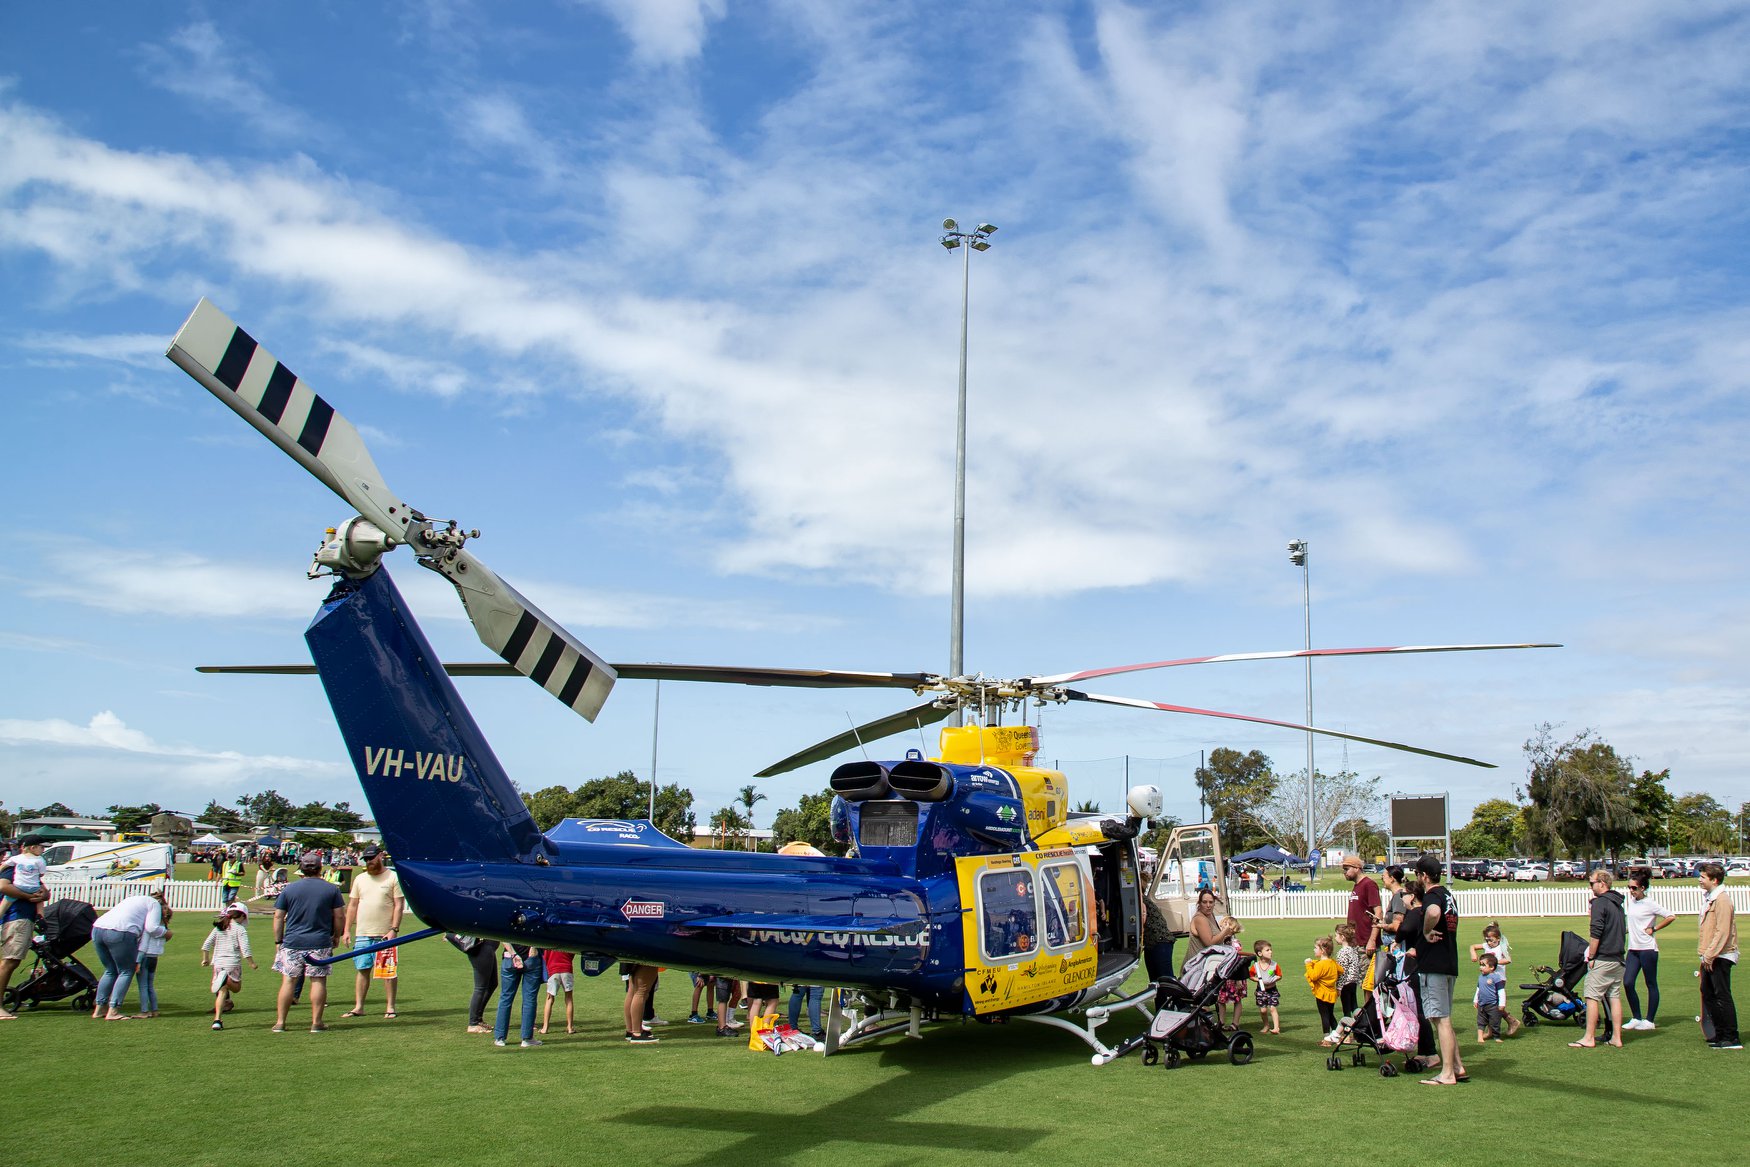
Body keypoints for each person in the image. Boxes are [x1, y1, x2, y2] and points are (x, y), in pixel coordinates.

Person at [271, 852, 346, 1034]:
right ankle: (316, 1022)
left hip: (292, 941)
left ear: (301, 868)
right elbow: (339, 916)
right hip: (320, 941)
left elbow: (278, 916)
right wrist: (337, 936)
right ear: (320, 868)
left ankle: (280, 1022)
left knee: (288, 981)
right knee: (318, 981)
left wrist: (278, 940)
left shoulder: (289, 889)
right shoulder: (331, 889)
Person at [1413, 854, 1466, 1084]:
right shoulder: (1447, 894)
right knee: (1444, 1018)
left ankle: (1447, 1073)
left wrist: (1426, 931)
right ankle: (1457, 1066)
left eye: (1417, 873)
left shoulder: (1432, 896)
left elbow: (1433, 913)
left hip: (1434, 964)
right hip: (1448, 962)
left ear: (1424, 876)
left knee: (1440, 1018)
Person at [340, 845, 404, 1020]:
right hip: (363, 933)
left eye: (372, 858)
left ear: (380, 856)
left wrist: (394, 929)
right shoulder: (360, 879)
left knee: (388, 971)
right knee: (362, 969)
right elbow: (352, 905)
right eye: (366, 859)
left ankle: (390, 1007)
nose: (369, 862)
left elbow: (398, 905)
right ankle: (359, 1006)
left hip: (385, 934)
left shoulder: (393, 877)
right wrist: (346, 930)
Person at [90, 890, 168, 1021]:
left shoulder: (134, 899)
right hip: (120, 931)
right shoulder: (154, 904)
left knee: (110, 970)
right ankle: (113, 1010)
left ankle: (99, 1009)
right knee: (126, 971)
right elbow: (152, 928)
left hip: (97, 929)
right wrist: (166, 933)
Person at [1572, 868, 1627, 1049]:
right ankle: (1616, 1037)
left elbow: (1596, 932)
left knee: (1592, 996)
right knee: (1614, 996)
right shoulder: (1618, 904)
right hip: (1618, 958)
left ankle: (1589, 1037)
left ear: (1602, 884)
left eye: (1592, 883)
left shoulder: (1600, 903)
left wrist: (1592, 956)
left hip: (1604, 957)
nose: (1590, 887)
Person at [0, 835, 51, 1021]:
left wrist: (43, 895)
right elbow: (4, 886)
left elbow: (43, 890)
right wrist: (29, 897)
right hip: (16, 917)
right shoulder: (14, 866)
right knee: (10, 961)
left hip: (23, 917)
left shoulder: (31, 867)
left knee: (11, 961)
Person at [1623, 868, 1675, 1031]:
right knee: (1628, 982)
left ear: (1642, 888)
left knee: (1650, 983)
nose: (1631, 891)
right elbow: (1632, 923)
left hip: (1647, 949)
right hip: (1633, 949)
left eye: (1634, 888)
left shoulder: (1650, 903)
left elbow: (1670, 916)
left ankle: (1650, 1020)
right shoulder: (1632, 902)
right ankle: (1636, 1017)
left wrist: (1654, 928)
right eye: (1629, 887)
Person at [1697, 862, 1740, 1049]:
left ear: (1714, 880)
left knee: (1722, 995)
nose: (1700, 880)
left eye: (1703, 877)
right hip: (1711, 954)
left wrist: (1710, 955)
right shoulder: (1712, 898)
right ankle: (1720, 1033)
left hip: (1721, 955)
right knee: (1708, 993)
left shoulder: (1722, 900)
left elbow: (1722, 931)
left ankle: (1731, 1036)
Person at [1187, 889, 1244, 1029]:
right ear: (1199, 903)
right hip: (1196, 967)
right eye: (1204, 902)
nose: (1208, 905)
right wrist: (1225, 931)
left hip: (1208, 966)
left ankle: (1209, 1026)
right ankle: (1200, 1028)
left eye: (1211, 902)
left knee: (1208, 999)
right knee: (1200, 1000)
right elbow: (1209, 942)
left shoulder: (1210, 915)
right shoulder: (1200, 918)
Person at [201, 902, 257, 1029]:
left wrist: (205, 959)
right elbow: (245, 949)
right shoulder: (240, 929)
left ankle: (217, 1020)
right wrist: (251, 963)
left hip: (218, 964)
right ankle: (226, 979)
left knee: (222, 992)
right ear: (242, 916)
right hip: (232, 963)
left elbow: (206, 945)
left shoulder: (219, 927)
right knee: (236, 988)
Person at [1468, 921, 1520, 1036]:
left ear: (1498, 938)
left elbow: (1508, 960)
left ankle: (1511, 1021)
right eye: (1487, 940)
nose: (1489, 943)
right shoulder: (1486, 945)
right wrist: (1473, 953)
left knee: (1493, 1005)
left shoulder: (1501, 947)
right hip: (1487, 978)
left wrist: (1493, 963)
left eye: (1491, 940)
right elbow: (1473, 946)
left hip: (1498, 979)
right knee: (1489, 1004)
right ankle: (1492, 1030)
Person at [445, 933, 499, 1034]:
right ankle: (473, 1023)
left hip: (487, 948)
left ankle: (478, 1019)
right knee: (480, 987)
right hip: (482, 948)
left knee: (492, 984)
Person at [133, 894, 173, 1019]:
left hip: (145, 957)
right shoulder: (163, 926)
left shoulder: (150, 926)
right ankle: (154, 1009)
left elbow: (143, 945)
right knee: (150, 985)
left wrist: (138, 961)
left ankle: (144, 1011)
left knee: (143, 986)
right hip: (154, 958)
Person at [494, 942, 542, 1047]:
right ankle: (527, 1038)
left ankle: (499, 1037)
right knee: (529, 1000)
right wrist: (534, 946)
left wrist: (513, 954)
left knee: (505, 998)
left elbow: (503, 937)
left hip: (509, 957)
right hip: (531, 957)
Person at [1342, 855, 1380, 962]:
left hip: (1366, 943)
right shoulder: (1357, 886)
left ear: (1356, 868)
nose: (1344, 872)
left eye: (1347, 869)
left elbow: (1378, 913)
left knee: (1367, 973)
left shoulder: (1369, 884)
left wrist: (1372, 940)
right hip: (1356, 942)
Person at [1142, 893, 1178, 985]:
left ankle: (1173, 994)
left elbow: (1142, 919)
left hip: (1159, 941)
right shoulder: (1142, 898)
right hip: (1154, 942)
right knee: (1157, 981)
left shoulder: (1139, 899)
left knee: (1165, 980)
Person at [1335, 923, 1367, 1017]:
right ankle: (1359, 1022)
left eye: (1336, 935)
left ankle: (1348, 1024)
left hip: (1346, 983)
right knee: (1354, 1005)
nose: (1335, 937)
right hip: (1353, 981)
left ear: (1342, 937)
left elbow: (1343, 971)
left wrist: (1339, 987)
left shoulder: (1343, 952)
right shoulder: (1353, 950)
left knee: (1346, 1008)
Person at [622, 962, 659, 1044]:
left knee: (632, 990)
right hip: (646, 957)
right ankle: (637, 1033)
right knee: (641, 990)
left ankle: (630, 1031)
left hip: (632, 958)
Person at [541, 948, 575, 1035]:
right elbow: (572, 953)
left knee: (549, 998)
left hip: (553, 970)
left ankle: (545, 1027)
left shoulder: (550, 941)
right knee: (569, 998)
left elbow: (545, 956)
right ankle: (570, 1027)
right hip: (567, 969)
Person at [1251, 940, 1281, 1034]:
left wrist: (1273, 979)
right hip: (1261, 991)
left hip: (1272, 990)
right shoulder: (1256, 966)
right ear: (1260, 953)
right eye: (1267, 950)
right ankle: (1266, 1025)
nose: (1270, 952)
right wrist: (1258, 980)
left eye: (1271, 950)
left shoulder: (1274, 965)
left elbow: (1279, 975)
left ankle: (1276, 1028)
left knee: (1272, 1008)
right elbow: (1251, 976)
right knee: (1263, 1010)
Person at [1475, 953, 1506, 1043]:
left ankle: (1496, 1036)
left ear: (1492, 967)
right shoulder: (1480, 977)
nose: (1481, 967)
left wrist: (1502, 1004)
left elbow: (1501, 991)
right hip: (1481, 1004)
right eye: (1480, 965)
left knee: (1495, 1021)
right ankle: (1480, 1037)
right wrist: (1475, 1000)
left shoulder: (1496, 978)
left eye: (1483, 965)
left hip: (1493, 1005)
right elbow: (1478, 989)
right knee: (1481, 1021)